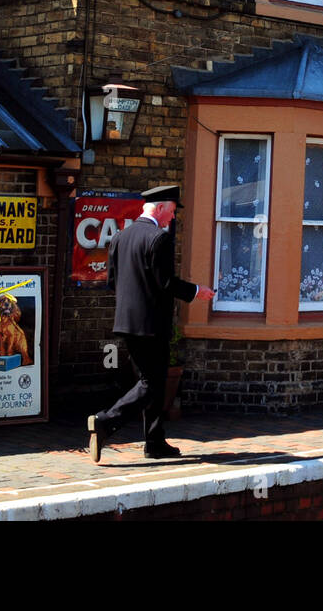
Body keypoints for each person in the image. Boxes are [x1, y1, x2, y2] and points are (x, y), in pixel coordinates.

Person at [88, 184, 215, 462]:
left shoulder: (120, 237)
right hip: (151, 324)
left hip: (126, 322)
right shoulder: (159, 239)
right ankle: (105, 422)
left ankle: (155, 441)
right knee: (151, 384)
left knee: (152, 380)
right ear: (159, 209)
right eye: (171, 212)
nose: (172, 218)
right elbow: (166, 283)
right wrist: (197, 292)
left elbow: (112, 281)